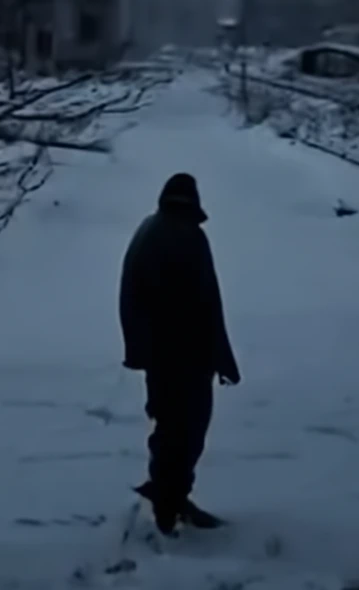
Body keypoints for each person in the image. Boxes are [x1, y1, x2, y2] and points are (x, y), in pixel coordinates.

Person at [118, 172, 240, 535]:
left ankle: (169, 497)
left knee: (171, 427)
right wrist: (221, 358)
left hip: (163, 355)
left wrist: (140, 351)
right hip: (185, 356)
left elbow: (131, 297)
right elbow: (206, 305)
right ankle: (168, 504)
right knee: (185, 431)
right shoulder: (186, 236)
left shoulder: (150, 229)